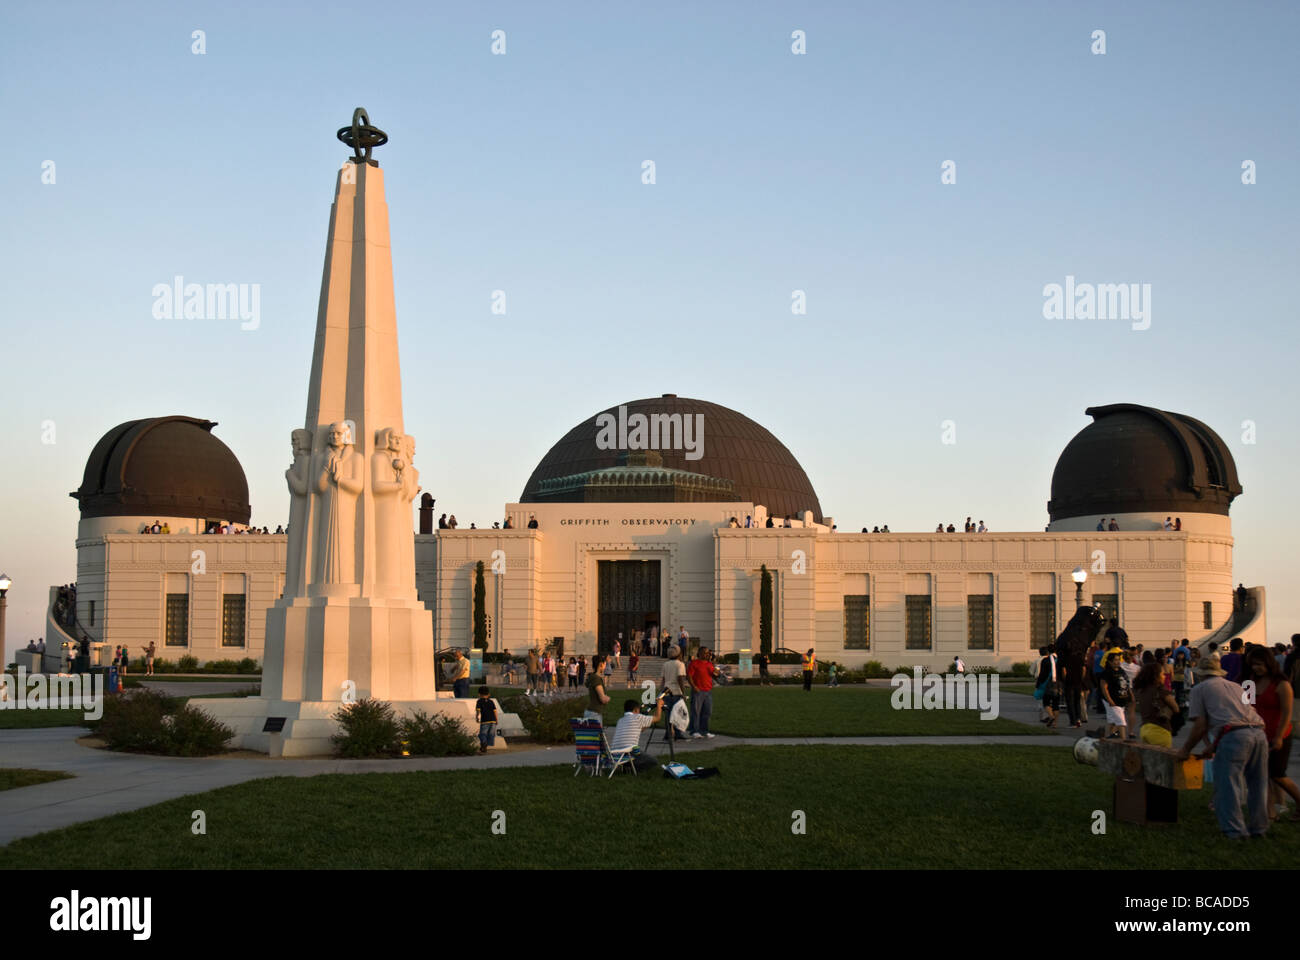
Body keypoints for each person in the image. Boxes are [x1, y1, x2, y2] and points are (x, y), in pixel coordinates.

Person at [1177, 653, 1271, 839]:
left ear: (1201, 673)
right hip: (1258, 732)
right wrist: (1213, 747)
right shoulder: (1236, 686)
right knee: (1258, 784)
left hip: (1234, 736)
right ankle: (1259, 828)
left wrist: (1185, 749)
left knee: (1229, 784)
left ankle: (1235, 831)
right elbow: (1242, 714)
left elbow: (1200, 725)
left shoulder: (1200, 689)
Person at [1243, 646, 1299, 821]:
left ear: (1268, 663)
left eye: (1259, 664)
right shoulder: (1250, 681)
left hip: (1278, 734)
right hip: (1257, 734)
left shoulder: (1282, 684)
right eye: (1253, 665)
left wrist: (1279, 737)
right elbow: (1246, 709)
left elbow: (1286, 713)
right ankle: (1269, 813)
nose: (1255, 668)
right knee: (1261, 775)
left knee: (1277, 774)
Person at [1133, 660, 1180, 747]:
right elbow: (1176, 708)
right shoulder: (1160, 690)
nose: (1164, 676)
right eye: (1162, 674)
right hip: (1159, 730)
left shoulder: (1142, 690)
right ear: (1155, 676)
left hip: (1144, 728)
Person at [611, 696, 664, 771]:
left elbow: (640, 729)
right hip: (629, 752)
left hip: (615, 753)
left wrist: (649, 721)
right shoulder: (638, 717)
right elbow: (658, 718)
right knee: (653, 761)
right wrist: (659, 705)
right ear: (636, 709)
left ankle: (626, 766)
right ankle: (632, 769)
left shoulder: (620, 720)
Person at [687, 646, 720, 738]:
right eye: (705, 653)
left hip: (708, 691)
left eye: (708, 653)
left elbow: (714, 675)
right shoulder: (694, 663)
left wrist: (717, 672)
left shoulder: (709, 664)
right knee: (696, 711)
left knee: (707, 712)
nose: (707, 654)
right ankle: (694, 731)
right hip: (698, 691)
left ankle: (704, 731)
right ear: (700, 653)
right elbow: (689, 676)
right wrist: (694, 687)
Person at [660, 645, 691, 740]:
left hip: (666, 691)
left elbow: (663, 679)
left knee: (668, 714)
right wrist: (683, 693)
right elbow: (680, 679)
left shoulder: (666, 664)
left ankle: (668, 733)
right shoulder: (680, 664)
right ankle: (678, 733)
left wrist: (661, 692)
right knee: (678, 713)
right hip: (676, 692)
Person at [1100, 649, 1131, 739]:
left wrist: (1130, 696)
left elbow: (1126, 684)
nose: (1118, 662)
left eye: (1118, 660)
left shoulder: (1121, 670)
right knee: (1121, 720)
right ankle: (1124, 740)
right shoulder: (1107, 672)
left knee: (1113, 720)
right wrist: (1109, 700)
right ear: (1110, 662)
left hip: (1122, 698)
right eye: (1115, 660)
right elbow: (1104, 687)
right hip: (1113, 700)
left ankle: (1110, 735)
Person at [1036, 645, 1061, 728]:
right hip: (1058, 684)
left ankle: (1051, 716)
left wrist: (1038, 684)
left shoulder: (1045, 660)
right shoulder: (1060, 660)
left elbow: (1042, 674)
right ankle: (1055, 724)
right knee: (1056, 704)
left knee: (1046, 702)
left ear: (1048, 651)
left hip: (1048, 684)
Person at [584, 655, 610, 721]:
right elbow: (603, 699)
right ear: (601, 664)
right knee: (596, 731)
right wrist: (608, 698)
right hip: (594, 713)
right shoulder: (596, 679)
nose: (605, 667)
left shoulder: (593, 677)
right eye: (605, 664)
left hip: (592, 712)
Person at [474, 686, 498, 753]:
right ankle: (484, 747)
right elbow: (495, 711)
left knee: (483, 734)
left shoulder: (479, 701)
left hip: (485, 721)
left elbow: (478, 710)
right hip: (493, 721)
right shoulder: (491, 701)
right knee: (490, 734)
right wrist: (496, 720)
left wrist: (477, 717)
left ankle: (484, 744)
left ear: (479, 694)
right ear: (489, 694)